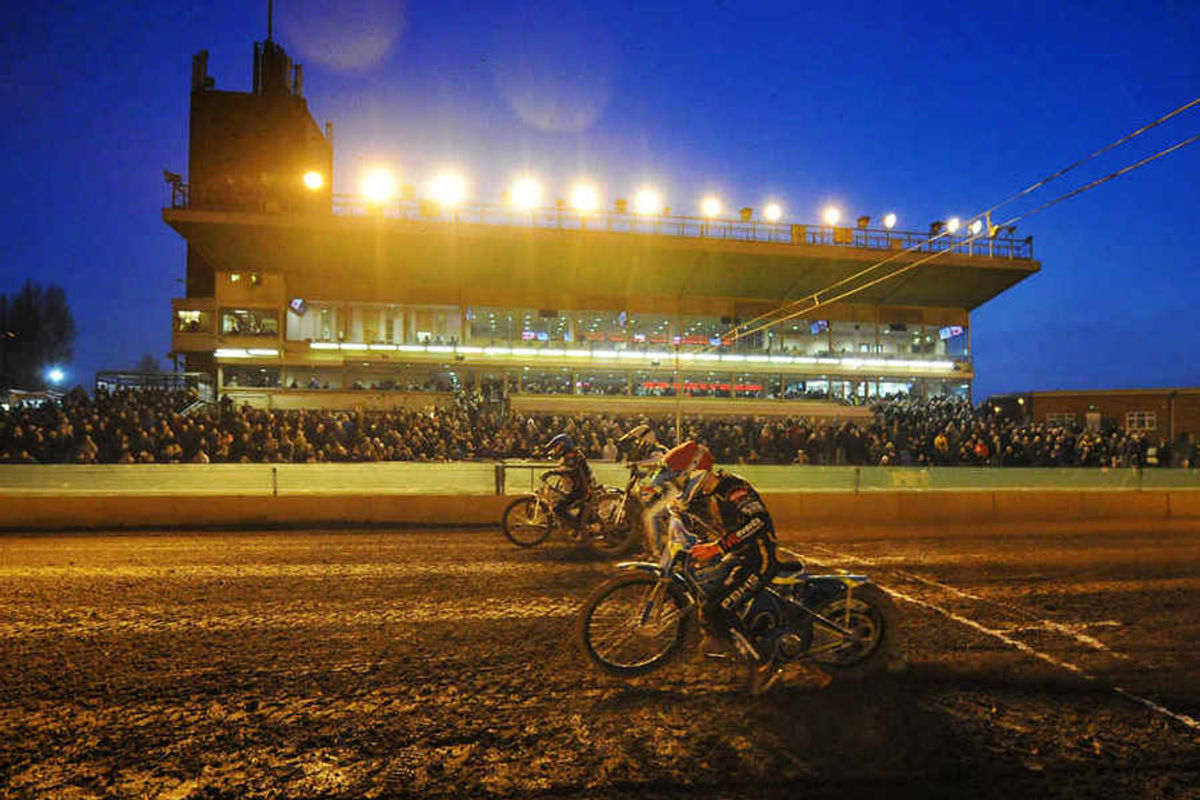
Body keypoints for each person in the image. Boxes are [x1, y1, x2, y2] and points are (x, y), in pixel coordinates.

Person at [665, 439, 781, 694]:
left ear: (695, 471)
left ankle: (762, 664)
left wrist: (718, 547)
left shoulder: (733, 489)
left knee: (719, 608)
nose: (679, 483)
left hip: (759, 560)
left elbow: (758, 521)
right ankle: (720, 638)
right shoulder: (711, 492)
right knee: (706, 591)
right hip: (738, 556)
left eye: (681, 476)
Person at [541, 432, 594, 532]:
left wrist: (552, 472)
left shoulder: (573, 455)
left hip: (582, 489)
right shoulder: (571, 454)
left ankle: (578, 527)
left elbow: (571, 470)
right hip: (579, 486)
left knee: (557, 508)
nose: (555, 450)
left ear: (563, 445)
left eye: (557, 447)